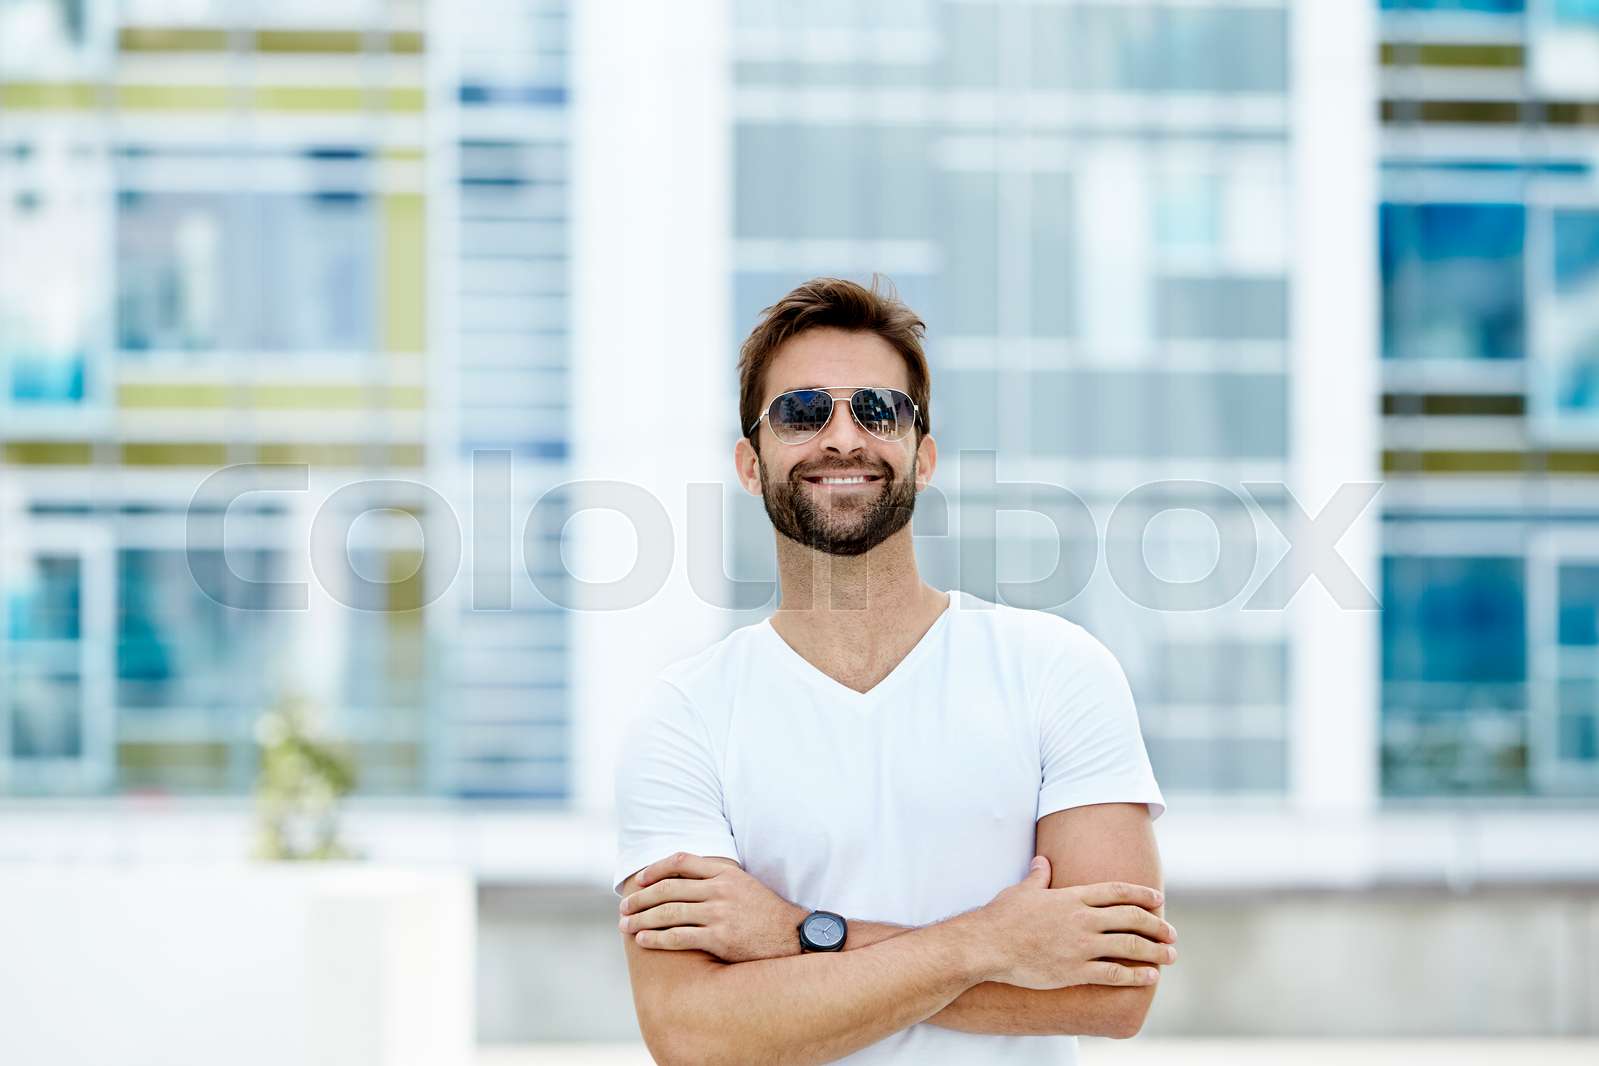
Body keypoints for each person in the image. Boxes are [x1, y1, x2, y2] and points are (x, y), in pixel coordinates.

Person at [612, 276, 1176, 1065]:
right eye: (802, 412)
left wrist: (795, 935)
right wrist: (992, 944)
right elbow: (693, 1033)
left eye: (878, 409)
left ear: (923, 455)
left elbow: (1113, 992)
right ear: (749, 462)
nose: (842, 438)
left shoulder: (1057, 670)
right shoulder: (684, 714)